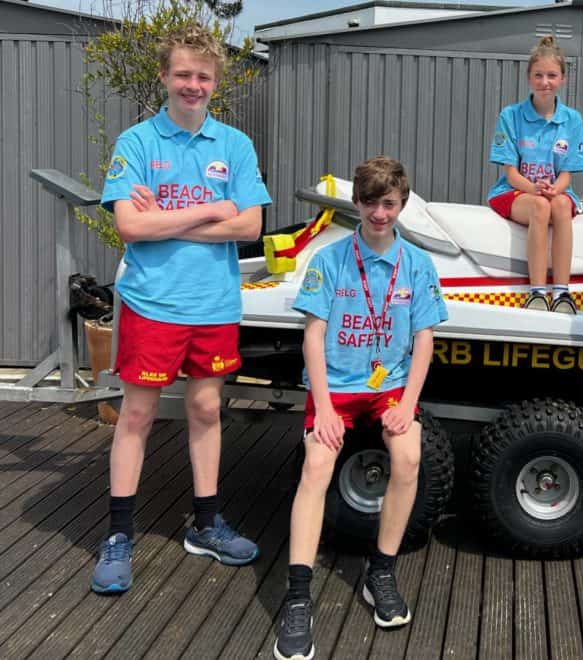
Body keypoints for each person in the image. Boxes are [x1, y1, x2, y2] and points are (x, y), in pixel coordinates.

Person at [92, 24, 270, 594]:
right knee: (137, 416)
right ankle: (119, 534)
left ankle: (207, 524)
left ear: (215, 83)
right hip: (152, 302)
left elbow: (251, 226)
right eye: (183, 74)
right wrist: (209, 212)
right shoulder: (137, 144)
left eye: (203, 76)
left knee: (206, 412)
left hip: (213, 303)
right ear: (165, 77)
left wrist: (165, 223)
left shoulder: (235, 146)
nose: (192, 84)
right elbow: (127, 226)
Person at [274, 157, 448, 659]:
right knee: (317, 463)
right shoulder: (330, 261)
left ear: (401, 206)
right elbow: (313, 337)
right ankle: (300, 597)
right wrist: (324, 409)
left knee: (409, 457)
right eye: (369, 202)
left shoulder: (416, 264)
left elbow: (424, 341)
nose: (378, 212)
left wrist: (408, 403)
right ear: (356, 204)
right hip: (337, 387)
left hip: (389, 386)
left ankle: (382, 571)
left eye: (388, 203)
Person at [486, 35, 583, 314]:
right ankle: (537, 292)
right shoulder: (511, 115)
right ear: (529, 78)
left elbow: (567, 173)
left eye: (552, 75)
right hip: (514, 191)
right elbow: (510, 173)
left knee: (560, 205)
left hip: (556, 191)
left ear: (563, 79)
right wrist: (535, 190)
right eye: (539, 75)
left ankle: (563, 292)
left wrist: (556, 188)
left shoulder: (572, 119)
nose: (545, 82)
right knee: (542, 206)